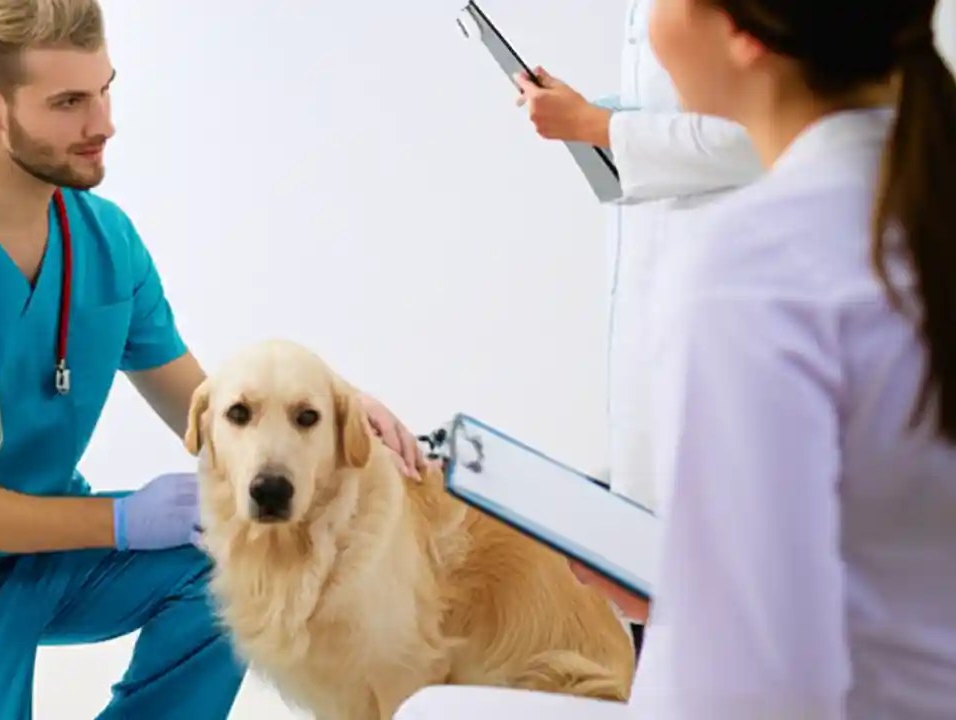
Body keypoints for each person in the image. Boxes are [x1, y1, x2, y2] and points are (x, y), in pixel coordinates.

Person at [0, 1, 425, 718]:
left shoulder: (107, 244)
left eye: (105, 89)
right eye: (69, 102)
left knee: (222, 559)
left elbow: (208, 409)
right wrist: (119, 523)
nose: (103, 124)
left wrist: (337, 399)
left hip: (42, 553)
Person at [397, 0, 956, 716]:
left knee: (428, 710)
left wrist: (689, 606)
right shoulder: (912, 201)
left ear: (744, 33)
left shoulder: (756, 262)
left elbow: (759, 673)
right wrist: (686, 585)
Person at [512, 0, 764, 655]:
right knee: (656, 587)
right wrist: (598, 120)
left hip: (731, 311)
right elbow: (685, 117)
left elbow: (763, 131)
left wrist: (600, 125)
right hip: (661, 305)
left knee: (721, 583)